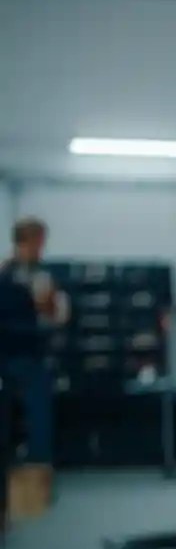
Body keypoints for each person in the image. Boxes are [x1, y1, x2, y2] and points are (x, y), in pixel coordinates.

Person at [1, 218, 68, 521]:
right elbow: (51, 315)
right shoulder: (14, 276)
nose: (41, 248)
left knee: (37, 421)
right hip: (16, 356)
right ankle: (23, 489)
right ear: (27, 241)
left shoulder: (38, 276)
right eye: (39, 241)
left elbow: (56, 315)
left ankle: (34, 488)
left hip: (27, 355)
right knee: (28, 420)